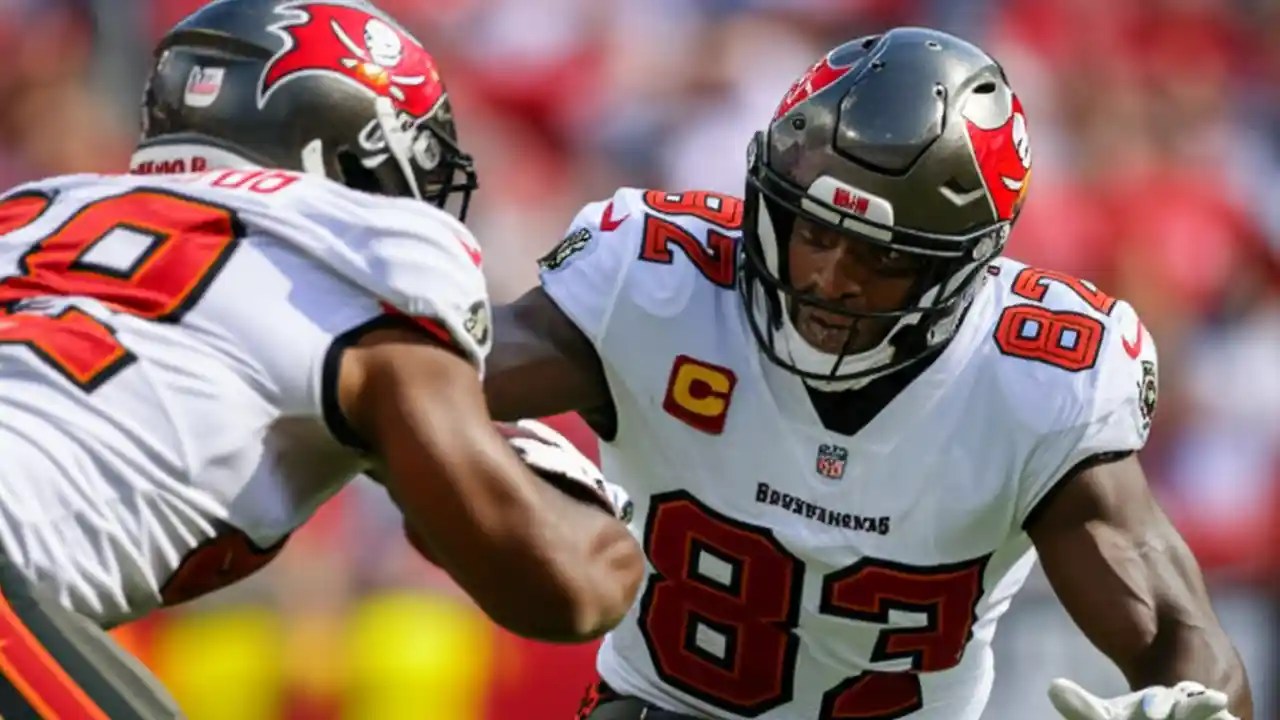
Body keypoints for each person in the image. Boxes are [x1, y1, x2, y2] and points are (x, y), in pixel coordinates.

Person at [483, 27, 1253, 720]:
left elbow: (1179, 632)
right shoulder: (657, 281)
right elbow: (438, 374)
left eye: (882, 257)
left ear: (965, 269)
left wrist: (1191, 711)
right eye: (813, 230)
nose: (829, 278)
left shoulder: (1040, 376)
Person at [0, 1, 643, 717]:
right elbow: (564, 589)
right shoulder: (366, 244)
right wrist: (602, 527)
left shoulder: (34, 210)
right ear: (351, 139)